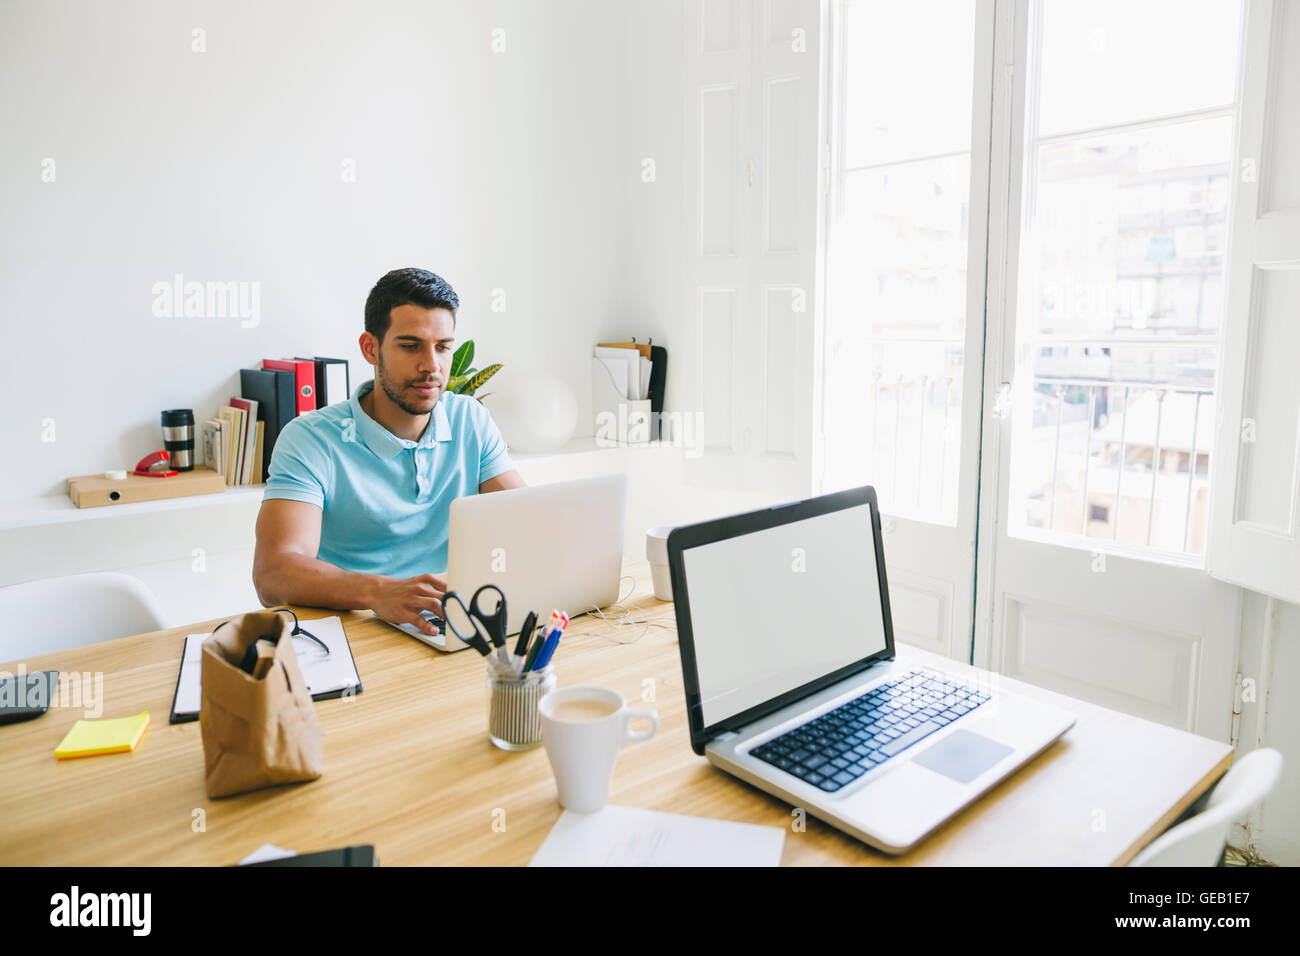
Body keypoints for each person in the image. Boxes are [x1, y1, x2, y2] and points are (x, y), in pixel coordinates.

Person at [252, 268, 525, 636]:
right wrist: (376, 592)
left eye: (443, 347)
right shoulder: (309, 439)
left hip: (445, 625)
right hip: (352, 630)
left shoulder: (470, 420)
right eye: (411, 346)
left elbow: (527, 520)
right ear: (370, 348)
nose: (432, 365)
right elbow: (273, 572)